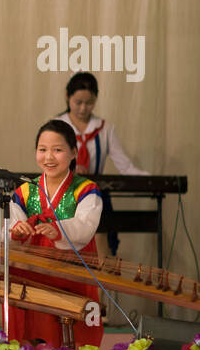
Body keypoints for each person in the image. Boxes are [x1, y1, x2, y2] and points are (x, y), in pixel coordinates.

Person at [6, 119, 105, 349]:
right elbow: (10, 225)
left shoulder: (86, 189)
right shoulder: (24, 191)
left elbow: (86, 226)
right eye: (42, 150)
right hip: (32, 275)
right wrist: (17, 230)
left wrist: (59, 230)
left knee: (72, 338)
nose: (49, 157)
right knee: (31, 334)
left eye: (57, 150)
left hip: (70, 276)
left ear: (73, 152)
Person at [56, 71, 146, 256]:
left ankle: (101, 283)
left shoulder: (105, 129)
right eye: (78, 102)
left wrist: (151, 179)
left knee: (101, 250)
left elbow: (125, 167)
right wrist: (70, 168)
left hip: (96, 195)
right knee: (64, 248)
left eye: (89, 103)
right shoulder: (56, 126)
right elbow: (49, 162)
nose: (83, 108)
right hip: (64, 195)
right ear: (67, 96)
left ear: (96, 100)